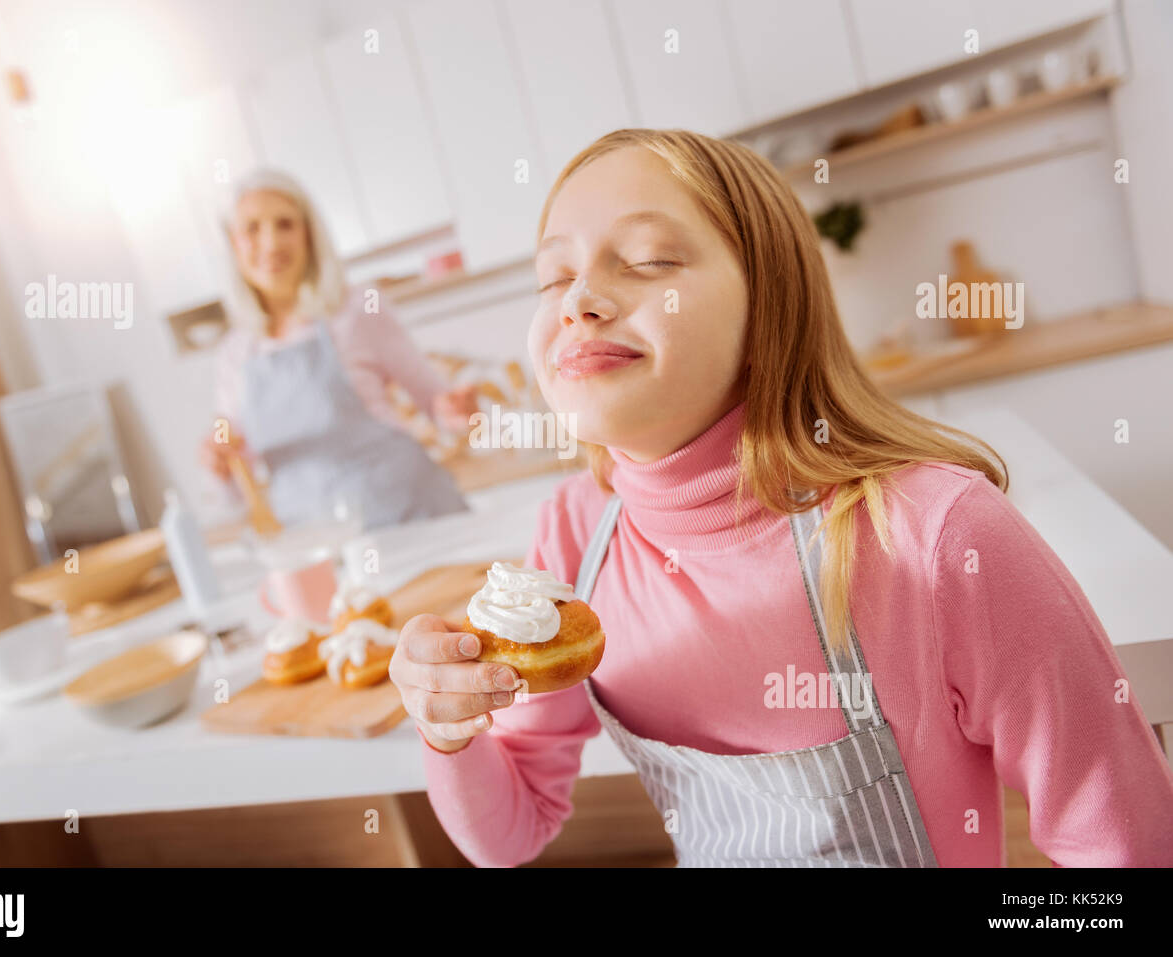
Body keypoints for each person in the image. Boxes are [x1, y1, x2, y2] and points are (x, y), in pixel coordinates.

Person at [389, 129, 1173, 867]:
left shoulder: (934, 536)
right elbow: (512, 830)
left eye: (649, 259)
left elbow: (1128, 848)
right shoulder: (576, 535)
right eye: (554, 275)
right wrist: (447, 728)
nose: (579, 298)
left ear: (770, 305)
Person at [200, 169, 475, 530]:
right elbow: (234, 474)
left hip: (411, 518)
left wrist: (457, 412)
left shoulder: (359, 310)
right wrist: (219, 463)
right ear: (234, 245)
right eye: (252, 228)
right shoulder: (233, 355)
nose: (270, 243)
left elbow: (441, 406)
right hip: (318, 546)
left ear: (309, 234)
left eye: (284, 224)